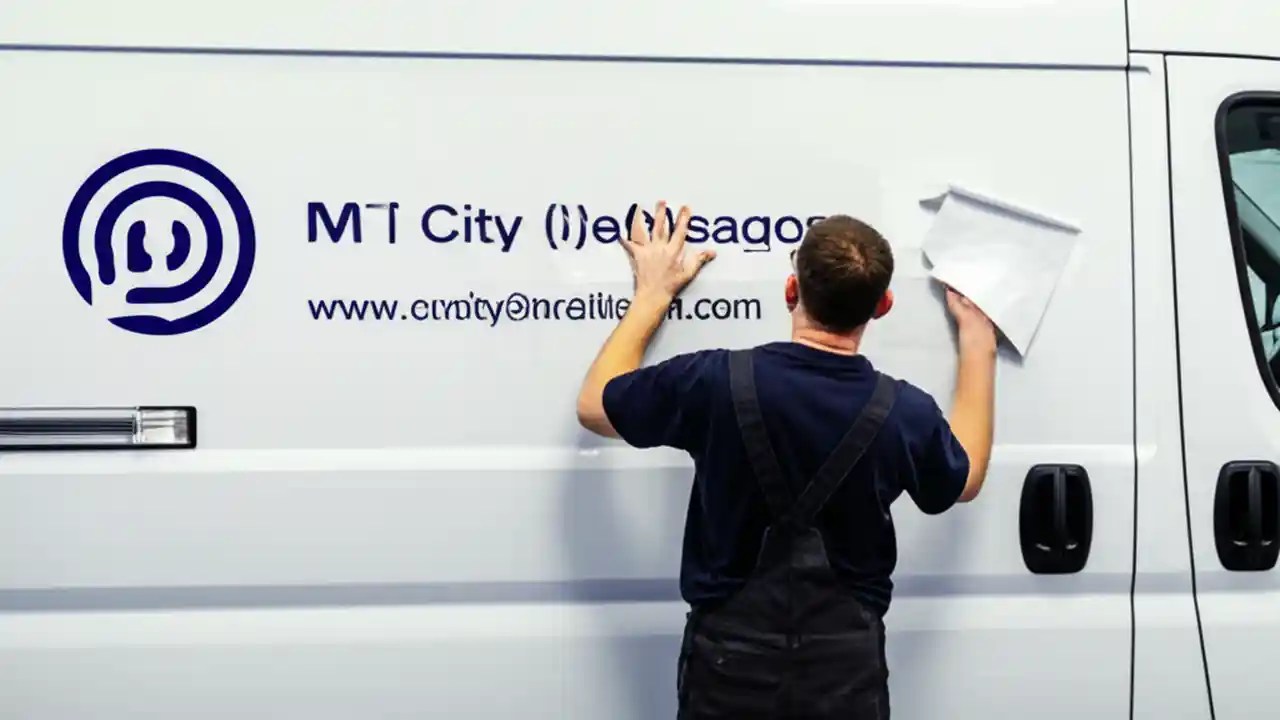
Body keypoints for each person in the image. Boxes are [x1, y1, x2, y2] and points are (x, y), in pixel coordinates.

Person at [575, 201, 997, 719]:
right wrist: (979, 343)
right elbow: (967, 477)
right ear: (882, 306)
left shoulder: (714, 382)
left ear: (791, 291)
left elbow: (595, 406)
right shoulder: (905, 412)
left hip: (727, 669)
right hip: (845, 676)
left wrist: (654, 293)